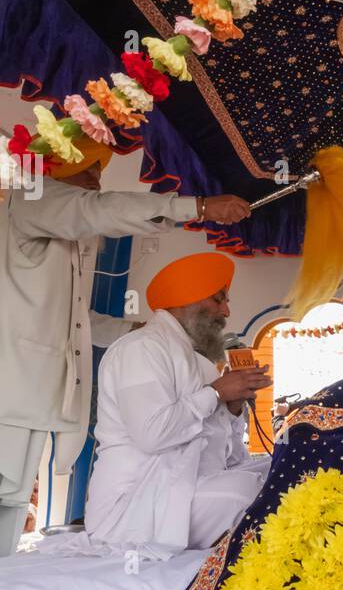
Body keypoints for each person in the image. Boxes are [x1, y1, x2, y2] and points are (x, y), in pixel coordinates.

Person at [0, 136, 250, 555]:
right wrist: (198, 208)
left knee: (10, 503)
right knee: (6, 497)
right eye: (91, 171)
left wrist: (147, 328)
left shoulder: (166, 346)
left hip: (36, 397)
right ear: (55, 172)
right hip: (13, 390)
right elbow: (96, 210)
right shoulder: (31, 199)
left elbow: (80, 322)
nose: (97, 182)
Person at [82, 251, 271, 558]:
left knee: (275, 471)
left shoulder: (200, 364)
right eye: (217, 299)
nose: (226, 311)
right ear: (187, 300)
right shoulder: (142, 348)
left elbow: (225, 460)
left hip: (183, 494)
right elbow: (152, 435)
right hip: (133, 507)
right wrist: (216, 394)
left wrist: (234, 407)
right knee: (246, 491)